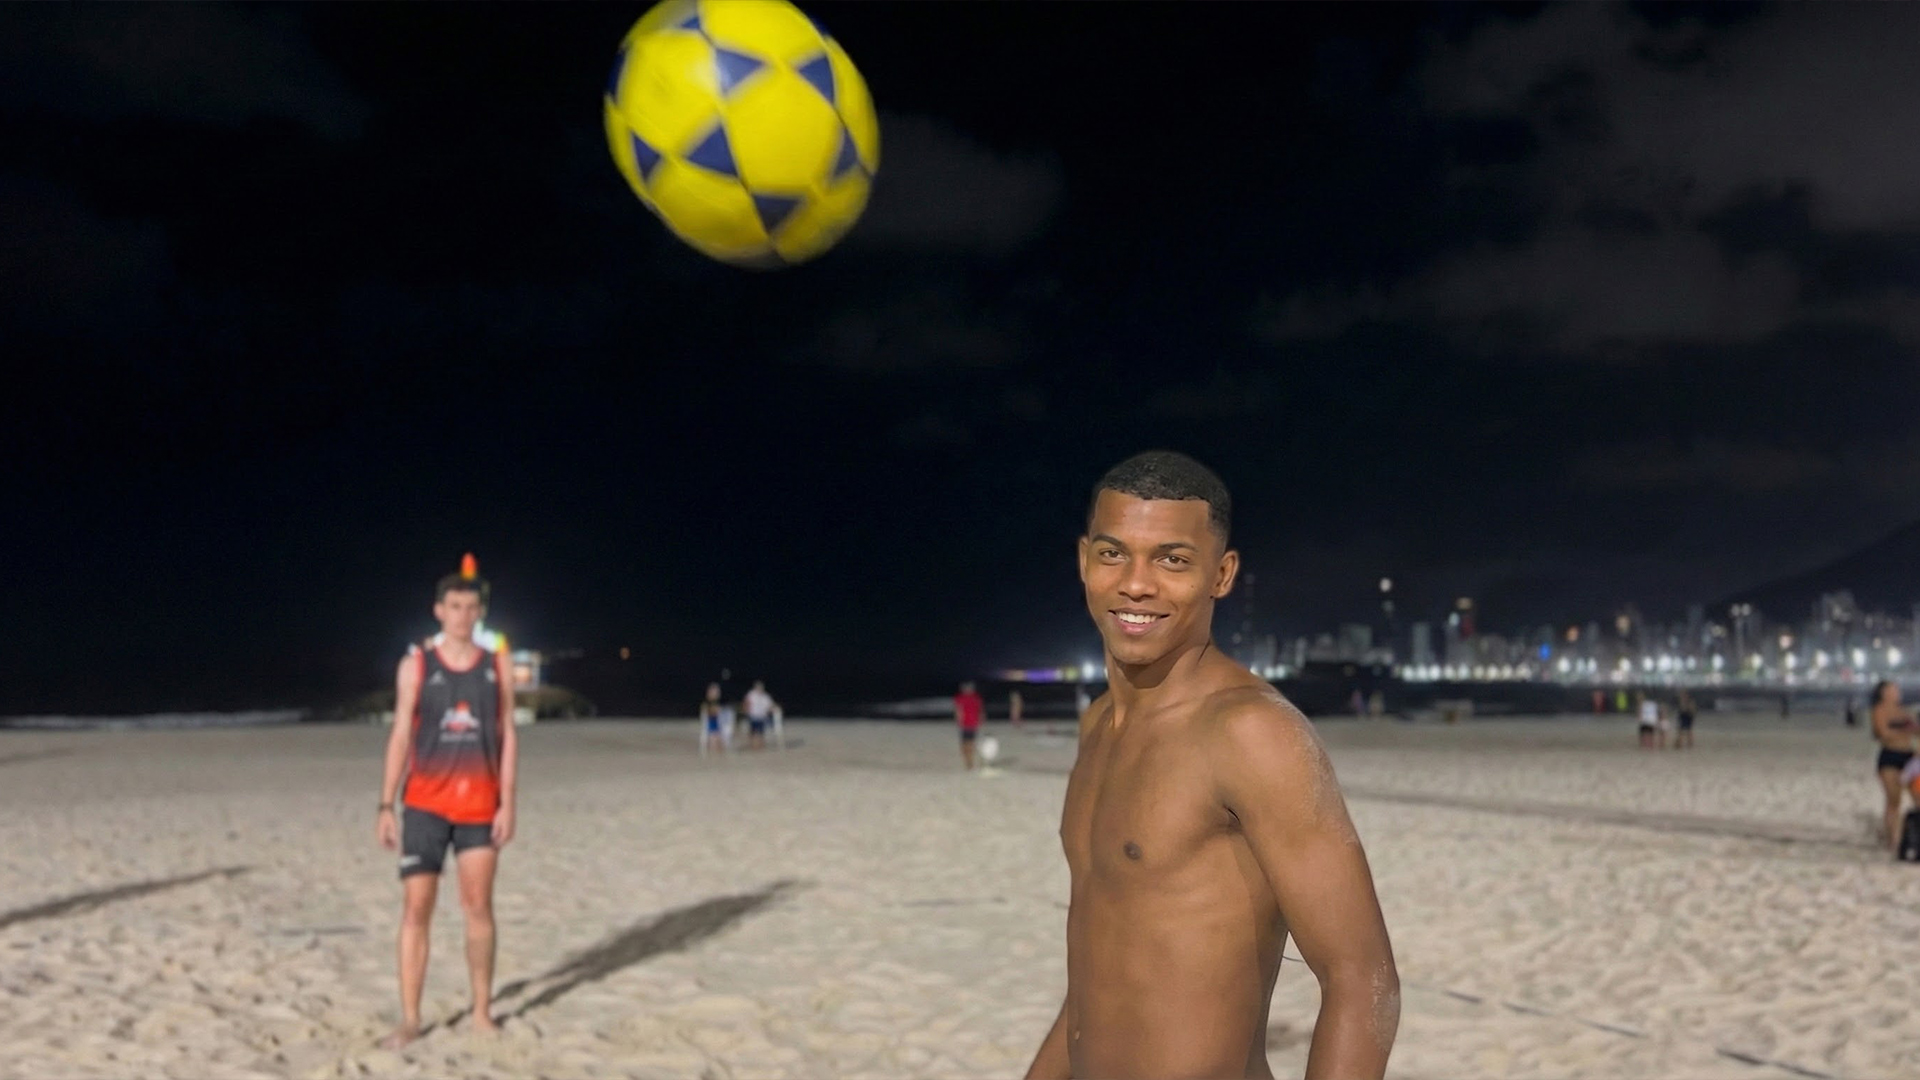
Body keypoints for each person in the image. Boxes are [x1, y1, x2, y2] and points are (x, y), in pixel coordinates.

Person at [1026, 451, 1398, 1080]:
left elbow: (1362, 980)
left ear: (1221, 575)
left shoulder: (1251, 732)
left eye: (1172, 559)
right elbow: (1101, 973)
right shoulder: (1098, 726)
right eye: (1115, 553)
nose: (1137, 583)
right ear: (1085, 560)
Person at [375, 566, 518, 1048]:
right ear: (439, 611)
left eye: (471, 607)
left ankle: (481, 1011)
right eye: (454, 607)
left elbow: (508, 734)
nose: (462, 615)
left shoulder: (495, 664)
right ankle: (411, 1018)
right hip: (424, 805)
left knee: (478, 907)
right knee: (417, 909)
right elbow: (400, 735)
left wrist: (508, 802)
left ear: (480, 613)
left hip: (480, 805)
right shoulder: (416, 664)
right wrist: (385, 803)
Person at [1869, 680, 1916, 853]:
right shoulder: (1880, 710)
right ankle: (1893, 840)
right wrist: (1905, 731)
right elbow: (1883, 734)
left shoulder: (1903, 710)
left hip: (1909, 757)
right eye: (1893, 689)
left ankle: (1910, 835)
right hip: (1890, 757)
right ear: (1884, 693)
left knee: (1917, 797)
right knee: (1893, 800)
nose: (1897, 692)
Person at [955, 680, 985, 770]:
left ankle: (969, 763)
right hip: (973, 723)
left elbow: (958, 711)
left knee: (965, 744)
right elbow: (981, 711)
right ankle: (970, 762)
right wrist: (981, 721)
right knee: (970, 743)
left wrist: (958, 721)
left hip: (965, 723)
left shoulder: (960, 698)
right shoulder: (977, 697)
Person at [743, 680, 778, 751]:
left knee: (761, 733)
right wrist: (746, 710)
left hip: (762, 717)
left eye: (761, 688)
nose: (759, 689)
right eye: (758, 688)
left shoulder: (766, 697)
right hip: (753, 716)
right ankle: (752, 746)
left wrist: (775, 709)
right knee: (753, 732)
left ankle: (761, 747)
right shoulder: (751, 694)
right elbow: (746, 702)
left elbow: (770, 706)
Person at [699, 682, 728, 756]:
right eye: (715, 692)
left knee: (720, 745)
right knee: (713, 745)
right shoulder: (707, 704)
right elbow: (709, 714)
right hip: (710, 726)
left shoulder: (716, 703)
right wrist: (716, 710)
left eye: (717, 692)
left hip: (717, 726)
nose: (717, 694)